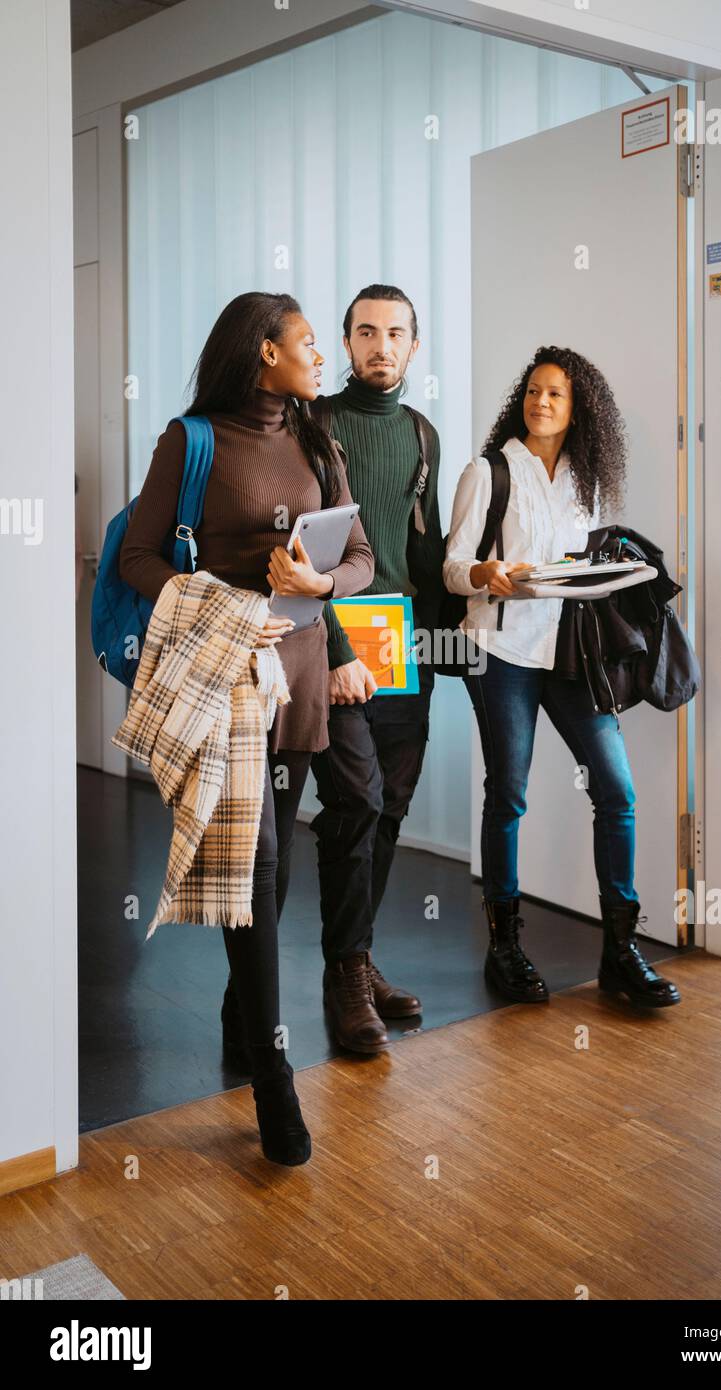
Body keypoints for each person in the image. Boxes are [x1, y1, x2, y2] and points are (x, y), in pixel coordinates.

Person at [118, 291, 374, 1164]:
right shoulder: (189, 442)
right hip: (224, 677)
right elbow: (137, 558)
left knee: (278, 856)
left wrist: (318, 586)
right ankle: (272, 1071)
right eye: (309, 342)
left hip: (299, 675)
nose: (322, 358)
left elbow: (362, 557)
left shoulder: (316, 439)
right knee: (254, 858)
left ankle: (242, 1008)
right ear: (264, 350)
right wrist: (221, 604)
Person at [443, 346, 681, 1010]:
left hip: (571, 652)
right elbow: (452, 567)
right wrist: (488, 575)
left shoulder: (588, 480)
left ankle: (620, 953)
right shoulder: (488, 472)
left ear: (579, 410)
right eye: (534, 392)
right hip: (502, 651)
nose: (542, 402)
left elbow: (586, 564)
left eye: (556, 395)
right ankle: (506, 949)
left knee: (616, 790)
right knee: (509, 795)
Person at [307, 284, 446, 1054]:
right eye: (366, 332)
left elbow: (420, 553)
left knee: (390, 805)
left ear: (414, 345)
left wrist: (471, 583)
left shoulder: (424, 435)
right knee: (354, 800)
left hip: (404, 643)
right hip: (336, 644)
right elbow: (308, 552)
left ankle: (358, 958)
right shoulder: (316, 424)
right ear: (347, 341)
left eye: (395, 333)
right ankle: (343, 977)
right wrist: (332, 649)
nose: (380, 345)